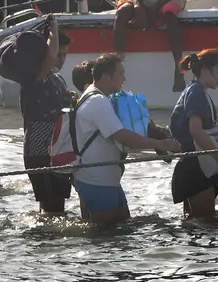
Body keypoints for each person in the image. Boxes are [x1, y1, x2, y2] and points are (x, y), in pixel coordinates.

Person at [71, 53, 181, 227]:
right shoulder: (97, 101)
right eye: (121, 73)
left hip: (108, 178)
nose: (125, 78)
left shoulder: (100, 97)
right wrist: (159, 144)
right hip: (96, 178)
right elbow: (121, 135)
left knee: (123, 225)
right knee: (105, 234)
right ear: (106, 76)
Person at [170, 49, 218, 219]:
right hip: (195, 167)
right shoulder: (197, 93)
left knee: (193, 223)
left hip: (194, 164)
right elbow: (196, 131)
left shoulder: (194, 90)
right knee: (206, 222)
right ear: (206, 69)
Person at [20, 16, 74, 215]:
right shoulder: (34, 78)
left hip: (58, 150)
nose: (61, 60)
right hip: (39, 152)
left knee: (57, 209)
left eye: (65, 55)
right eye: (59, 55)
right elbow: (49, 58)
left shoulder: (57, 79)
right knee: (52, 209)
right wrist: (53, 28)